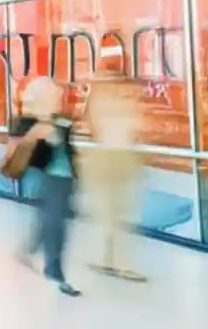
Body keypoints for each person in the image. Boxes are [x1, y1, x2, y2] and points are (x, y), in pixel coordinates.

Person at [8, 76, 81, 296]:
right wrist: (36, 136)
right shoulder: (26, 124)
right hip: (46, 180)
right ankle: (54, 270)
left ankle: (27, 251)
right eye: (54, 98)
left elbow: (68, 151)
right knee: (55, 225)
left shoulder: (62, 122)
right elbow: (21, 156)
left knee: (47, 222)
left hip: (64, 180)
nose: (59, 102)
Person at [82, 72, 147, 282]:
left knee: (113, 214)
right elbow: (135, 131)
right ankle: (115, 262)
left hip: (114, 160)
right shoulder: (115, 105)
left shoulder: (106, 104)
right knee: (114, 214)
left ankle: (109, 260)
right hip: (113, 160)